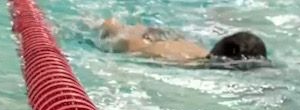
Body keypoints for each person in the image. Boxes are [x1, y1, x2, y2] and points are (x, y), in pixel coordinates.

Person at [97, 18, 267, 64]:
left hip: (173, 41)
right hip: (152, 44)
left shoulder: (196, 53)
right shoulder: (169, 55)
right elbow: (115, 28)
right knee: (113, 27)